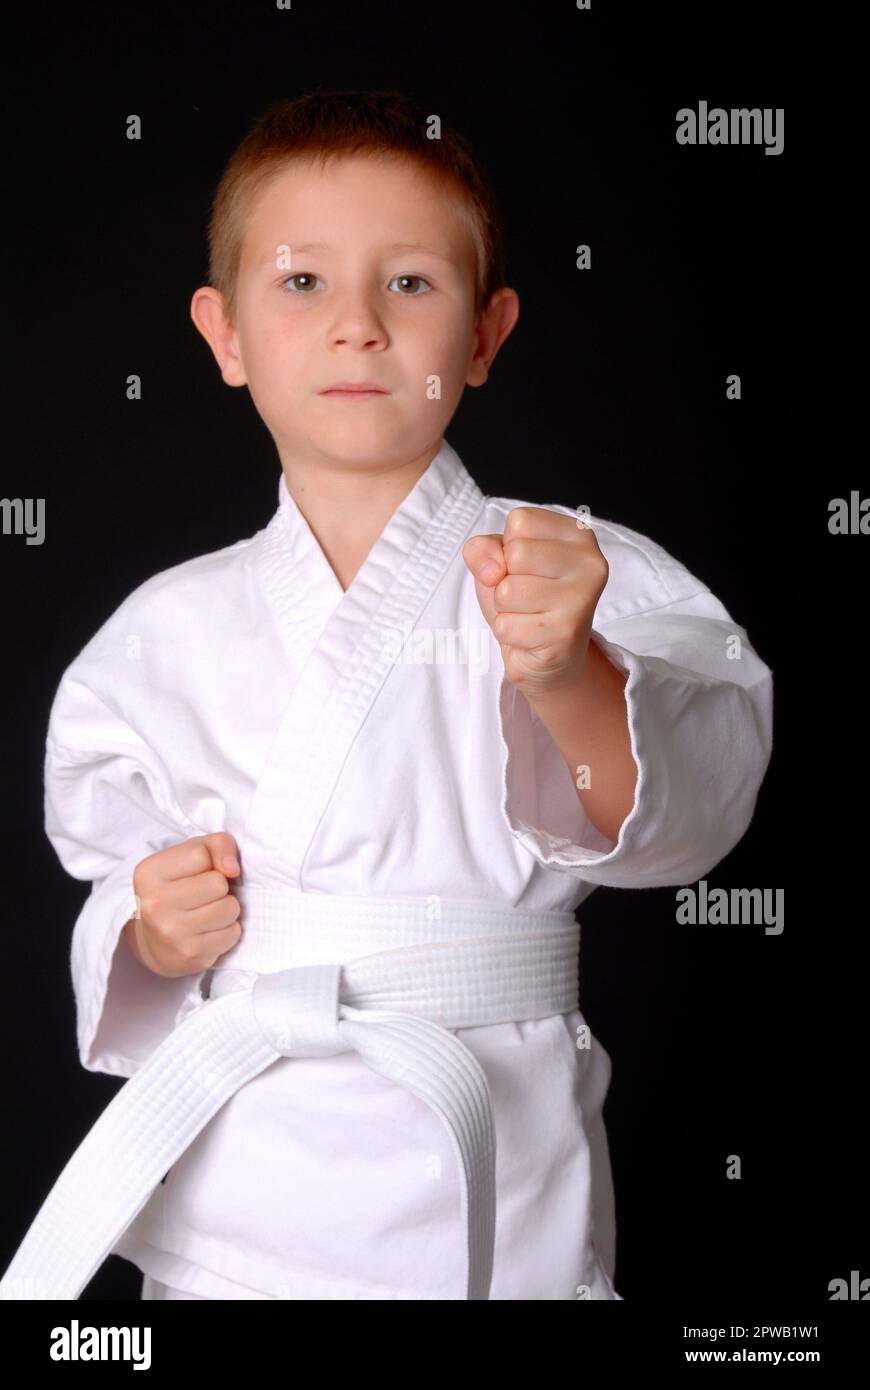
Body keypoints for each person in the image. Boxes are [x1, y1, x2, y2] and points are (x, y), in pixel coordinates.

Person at [0, 89, 773, 1302]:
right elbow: (113, 890)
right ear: (225, 333)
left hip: (491, 1176)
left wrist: (572, 674)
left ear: (484, 331)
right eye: (302, 283)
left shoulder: (580, 572)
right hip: (237, 1193)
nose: (358, 326)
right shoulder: (162, 629)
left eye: (410, 283)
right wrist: (153, 932)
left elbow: (680, 824)